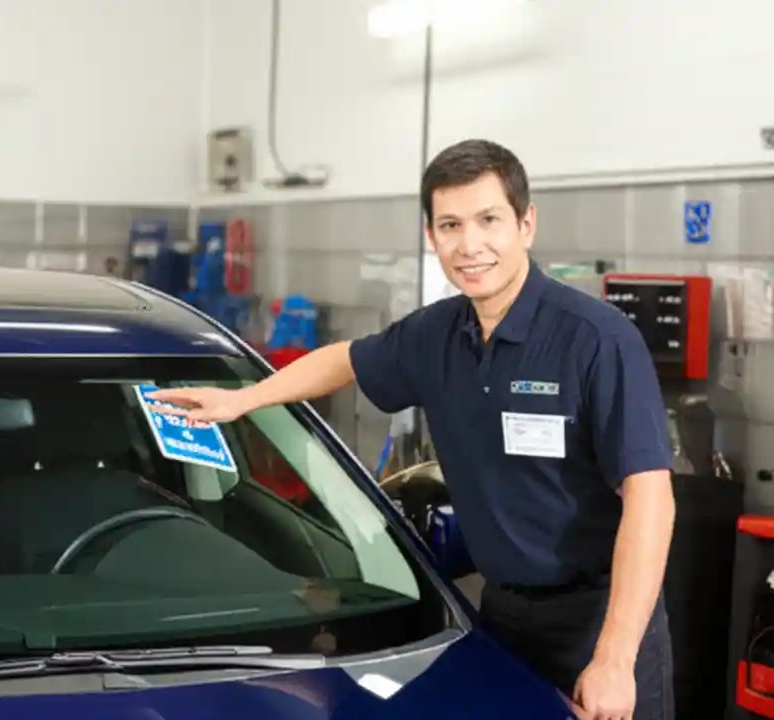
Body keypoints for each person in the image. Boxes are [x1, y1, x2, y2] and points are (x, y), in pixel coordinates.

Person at [150, 139, 676, 720]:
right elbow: (345, 360)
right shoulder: (436, 335)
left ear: (526, 224)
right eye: (450, 224)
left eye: (488, 220)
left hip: (600, 621)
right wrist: (245, 399)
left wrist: (615, 658)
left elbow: (651, 498)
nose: (469, 244)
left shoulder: (595, 340)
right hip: (501, 617)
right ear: (431, 236)